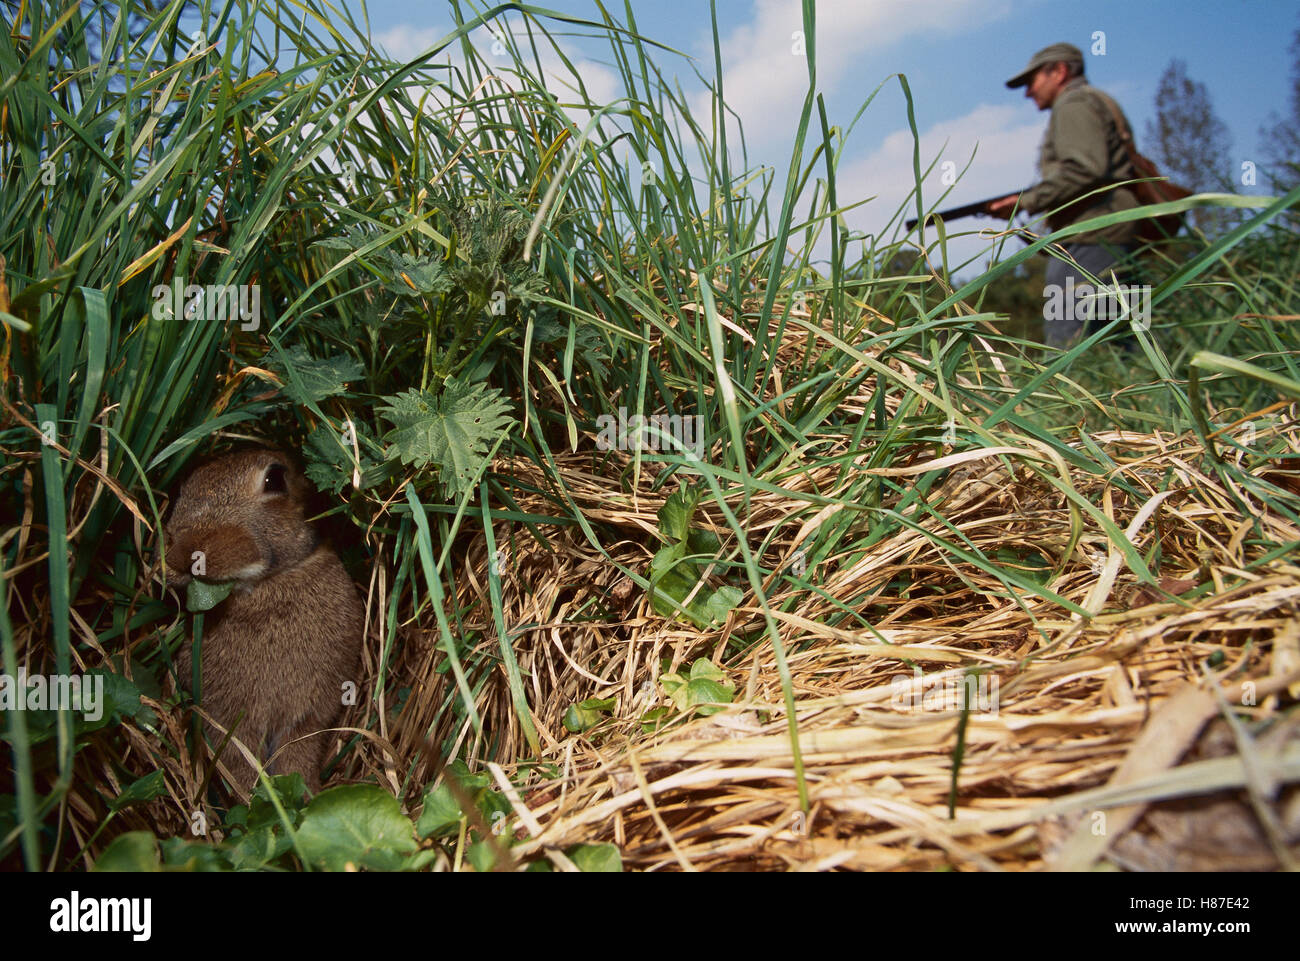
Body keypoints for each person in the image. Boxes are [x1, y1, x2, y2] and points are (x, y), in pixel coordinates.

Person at [986, 43, 1140, 348]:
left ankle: (1069, 395)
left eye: (1032, 82)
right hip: (1115, 232)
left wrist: (1025, 202)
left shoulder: (1073, 104)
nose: (1028, 92)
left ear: (1059, 71)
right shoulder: (1097, 100)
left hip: (1088, 236)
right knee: (1126, 341)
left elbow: (1085, 169)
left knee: (1065, 346)